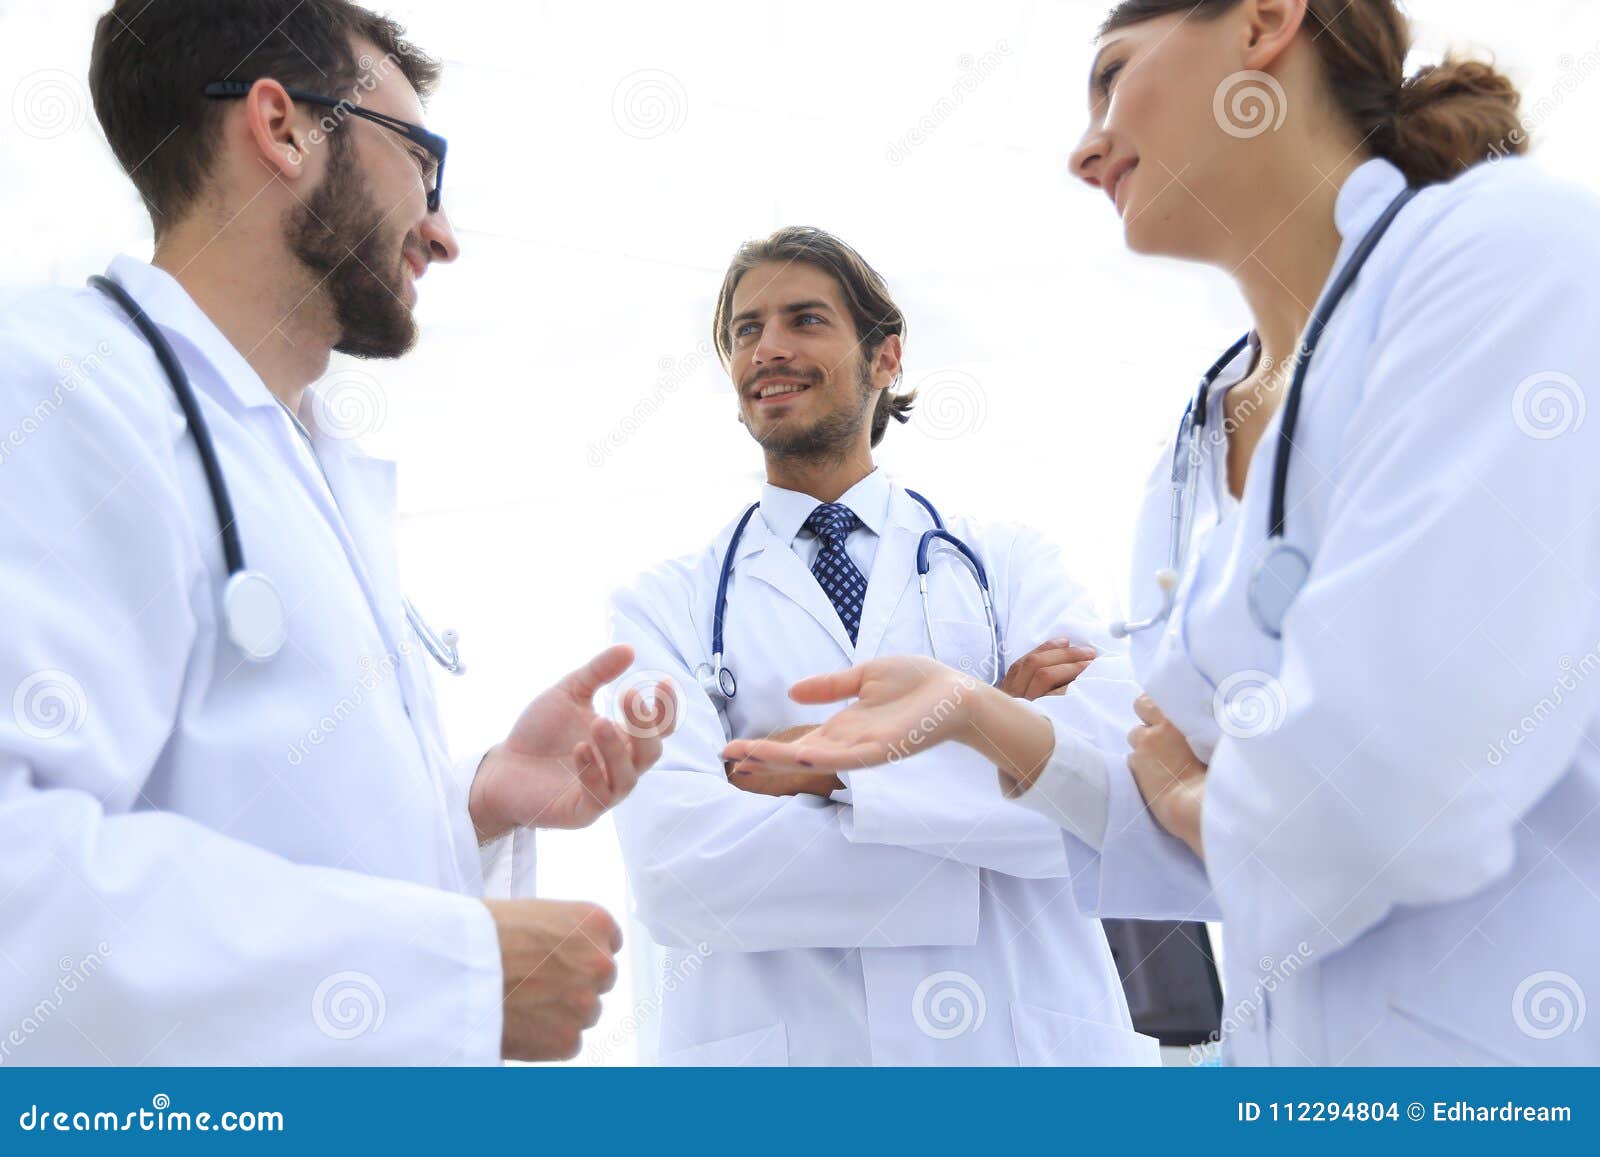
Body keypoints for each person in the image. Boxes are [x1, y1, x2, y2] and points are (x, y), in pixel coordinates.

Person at [722, 0, 1600, 1065]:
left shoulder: (1506, 253)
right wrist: (979, 716)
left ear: (1264, 23)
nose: (1086, 148)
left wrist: (1212, 799)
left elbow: (1377, 792)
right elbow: (1195, 833)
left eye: (1114, 74)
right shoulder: (1192, 457)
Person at [0, 0, 674, 1065]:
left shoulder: (292, 454)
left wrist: (471, 805)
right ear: (284, 127)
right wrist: (449, 975)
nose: (444, 234)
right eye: (421, 160)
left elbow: (251, 815)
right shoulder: (48, 389)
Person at [607, 226, 1161, 1066]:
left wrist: (828, 766)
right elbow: (679, 871)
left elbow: (1115, 797)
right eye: (746, 330)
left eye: (805, 319)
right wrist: (997, 726)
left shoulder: (1008, 563)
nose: (771, 349)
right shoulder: (662, 605)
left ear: (886, 358)